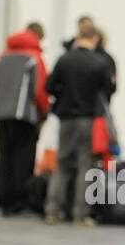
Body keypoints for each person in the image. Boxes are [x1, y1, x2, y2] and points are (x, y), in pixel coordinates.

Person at [44, 18, 115, 226]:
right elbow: (109, 91)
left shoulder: (64, 60)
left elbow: (49, 86)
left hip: (66, 118)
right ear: (95, 38)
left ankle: (53, 211)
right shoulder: (100, 63)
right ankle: (80, 215)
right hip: (89, 120)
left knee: (62, 165)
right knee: (86, 166)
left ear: (78, 36)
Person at [0, 22, 50, 215]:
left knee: (3, 157)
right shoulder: (34, 58)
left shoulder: (3, 57)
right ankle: (19, 203)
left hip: (1, 114)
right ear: (38, 37)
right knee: (23, 160)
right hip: (24, 116)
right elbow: (40, 91)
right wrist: (45, 111)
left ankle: (1, 200)